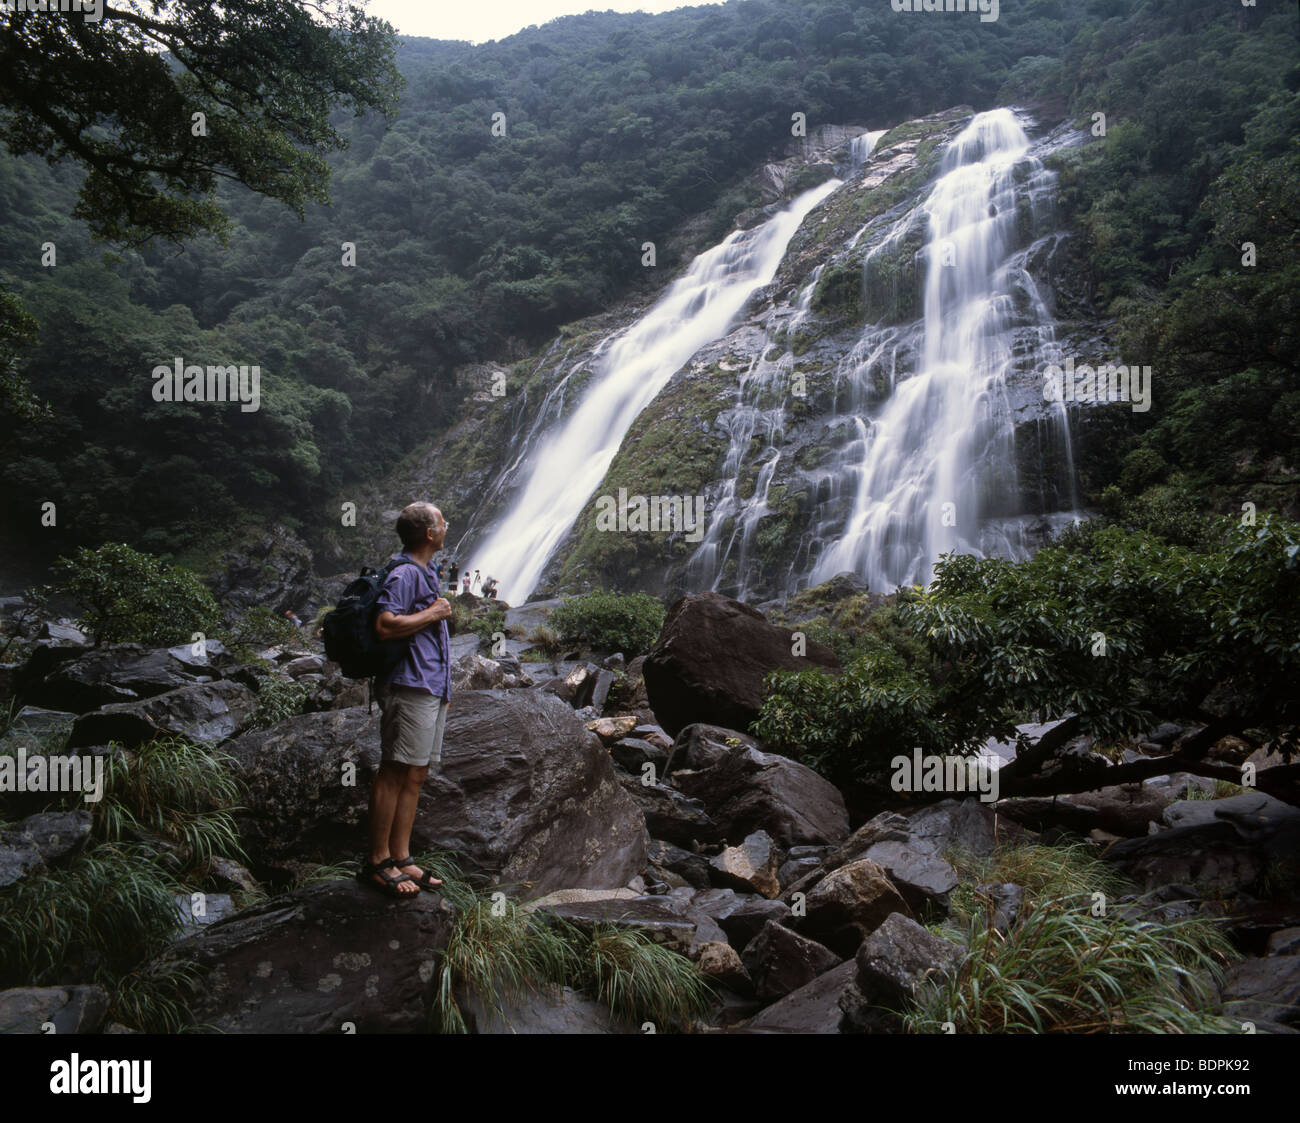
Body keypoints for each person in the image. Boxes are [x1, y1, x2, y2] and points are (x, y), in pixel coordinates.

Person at [359, 501, 453, 898]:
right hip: (409, 685)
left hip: (430, 686)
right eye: (442, 520)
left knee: (416, 774)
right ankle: (377, 861)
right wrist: (434, 614)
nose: (447, 524)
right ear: (430, 534)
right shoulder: (405, 573)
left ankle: (402, 856)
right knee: (395, 770)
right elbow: (385, 624)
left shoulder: (426, 571)